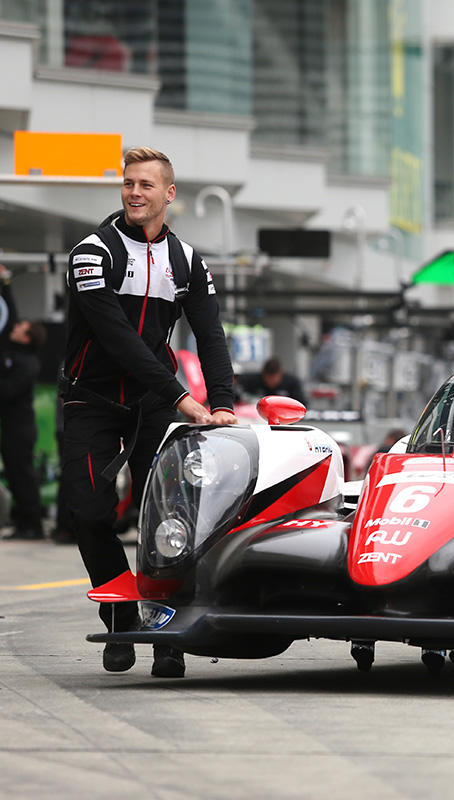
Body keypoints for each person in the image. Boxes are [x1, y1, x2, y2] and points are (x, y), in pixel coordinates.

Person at [61, 146, 237, 678]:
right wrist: (184, 397)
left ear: (169, 194)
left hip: (152, 407)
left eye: (145, 184)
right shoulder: (92, 253)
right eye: (128, 183)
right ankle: (119, 617)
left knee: (168, 520)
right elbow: (118, 341)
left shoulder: (187, 261)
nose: (134, 192)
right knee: (88, 511)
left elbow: (209, 334)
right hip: (91, 402)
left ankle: (167, 636)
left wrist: (223, 402)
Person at [1, 265, 48, 540]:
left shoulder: (27, 363)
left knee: (22, 474)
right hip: (12, 426)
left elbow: (8, 391)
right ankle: (23, 522)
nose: (15, 326)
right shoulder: (16, 355)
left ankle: (32, 524)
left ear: (27, 337)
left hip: (20, 428)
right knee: (15, 473)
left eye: (20, 327)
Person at [237, 356, 308, 406]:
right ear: (263, 374)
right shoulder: (251, 381)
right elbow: (240, 395)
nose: (271, 382)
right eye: (268, 378)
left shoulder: (292, 382)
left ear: (281, 374)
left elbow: (302, 403)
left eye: (274, 378)